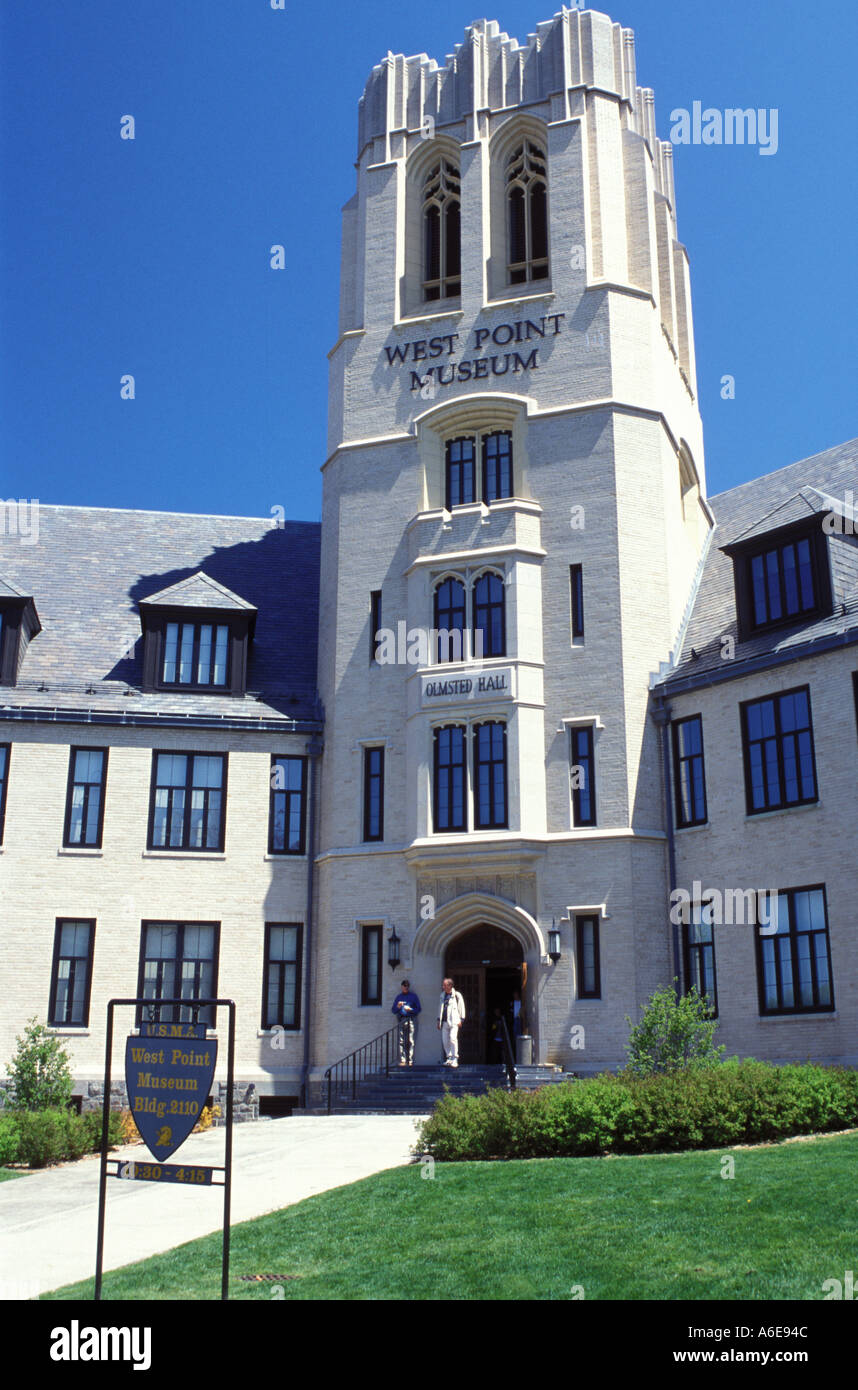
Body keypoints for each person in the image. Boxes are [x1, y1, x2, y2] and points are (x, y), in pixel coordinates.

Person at [436, 977, 466, 1067]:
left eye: (445, 985)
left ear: (450, 985)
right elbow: (440, 1008)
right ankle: (449, 1057)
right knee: (445, 1040)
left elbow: (461, 1007)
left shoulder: (457, 995)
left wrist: (461, 1019)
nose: (443, 986)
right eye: (443, 985)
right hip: (444, 1021)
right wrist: (438, 1020)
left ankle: (454, 1058)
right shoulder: (442, 995)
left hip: (454, 1021)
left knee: (453, 1038)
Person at [391, 980, 421, 1066]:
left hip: (411, 1019)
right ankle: (403, 1060)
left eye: (407, 986)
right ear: (401, 987)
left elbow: (419, 1009)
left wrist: (410, 1009)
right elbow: (393, 1010)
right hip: (401, 1019)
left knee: (411, 1040)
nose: (405, 987)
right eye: (404, 986)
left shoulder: (413, 996)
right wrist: (398, 1006)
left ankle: (410, 1060)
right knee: (401, 1040)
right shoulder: (398, 997)